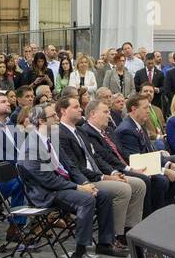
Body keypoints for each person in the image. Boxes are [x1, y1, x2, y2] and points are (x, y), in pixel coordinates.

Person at [16, 103, 119, 258]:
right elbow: (48, 180)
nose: (57, 118)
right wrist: (78, 188)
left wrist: (85, 183)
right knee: (86, 200)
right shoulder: (32, 147)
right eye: (53, 116)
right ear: (42, 121)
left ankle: (105, 243)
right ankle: (79, 252)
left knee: (103, 194)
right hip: (46, 193)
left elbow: (70, 166)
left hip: (60, 185)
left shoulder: (52, 137)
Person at [54, 95, 142, 245]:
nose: (81, 109)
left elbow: (96, 157)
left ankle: (130, 231)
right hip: (85, 180)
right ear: (63, 111)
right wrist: (104, 177)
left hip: (97, 174)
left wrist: (112, 173)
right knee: (123, 189)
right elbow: (75, 167)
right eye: (75, 107)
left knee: (139, 184)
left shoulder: (80, 131)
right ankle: (116, 236)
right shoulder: (60, 134)